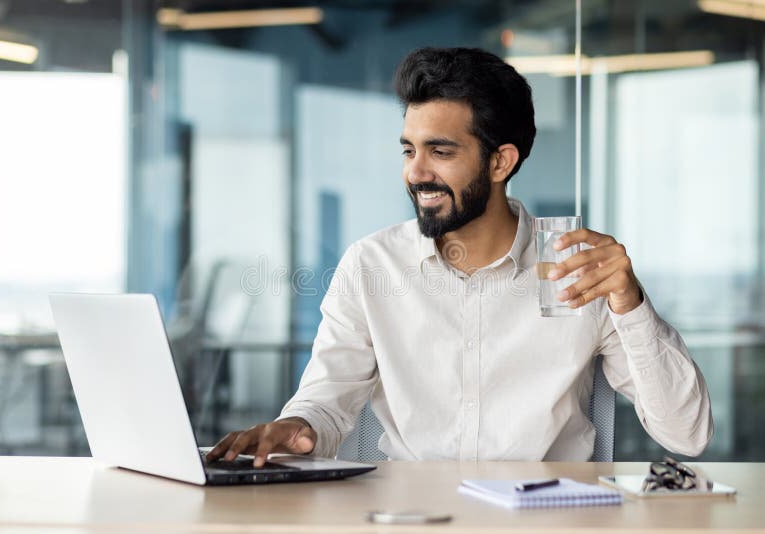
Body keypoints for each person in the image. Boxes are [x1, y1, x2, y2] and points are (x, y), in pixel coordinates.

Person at [206, 47, 713, 467]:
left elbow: (687, 435)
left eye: (440, 152)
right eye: (409, 150)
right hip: (412, 517)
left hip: (547, 519)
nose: (416, 172)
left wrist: (631, 305)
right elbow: (325, 402)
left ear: (500, 161)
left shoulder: (576, 270)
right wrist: (298, 428)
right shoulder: (371, 265)